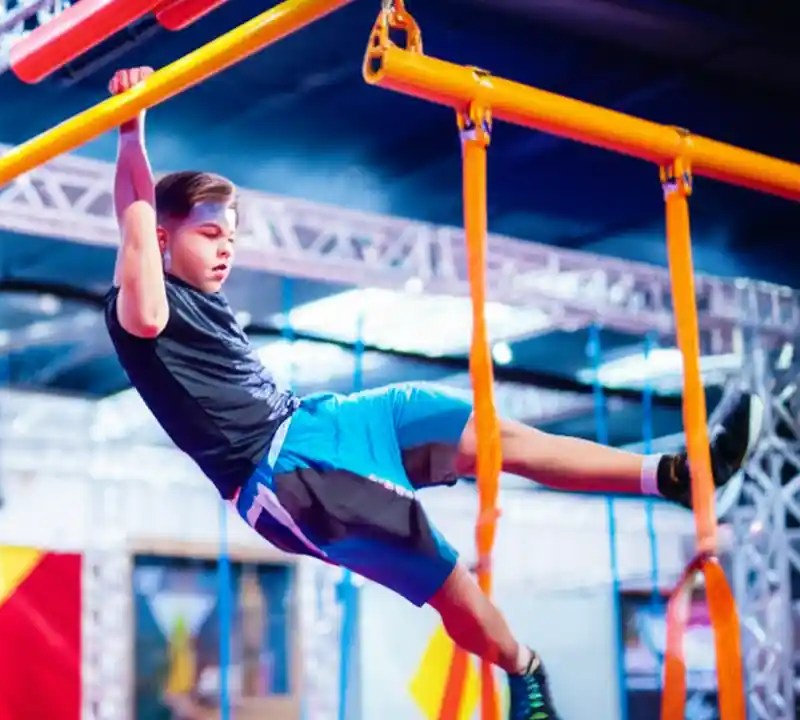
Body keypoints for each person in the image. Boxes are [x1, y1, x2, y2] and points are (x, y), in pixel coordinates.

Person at [100, 66, 762, 720]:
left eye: (232, 238)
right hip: (287, 474)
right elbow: (135, 228)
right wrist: (132, 133)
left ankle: (672, 475)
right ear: (161, 238)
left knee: (497, 439)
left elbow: (145, 223)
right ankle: (525, 669)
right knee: (450, 583)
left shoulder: (198, 295)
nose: (227, 252)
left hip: (321, 420)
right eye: (210, 234)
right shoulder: (140, 310)